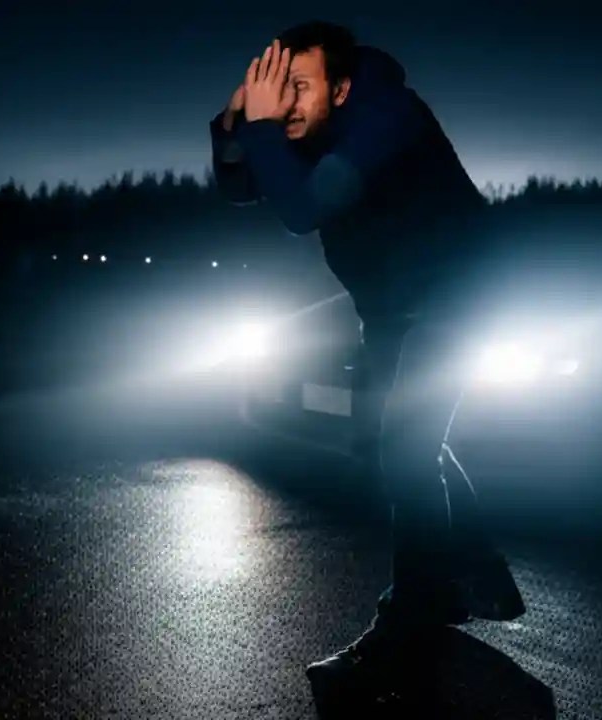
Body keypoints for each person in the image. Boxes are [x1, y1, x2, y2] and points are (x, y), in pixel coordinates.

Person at [208, 20, 525, 682]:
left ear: (343, 88)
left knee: (405, 449)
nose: (287, 103)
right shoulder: (310, 130)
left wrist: (264, 129)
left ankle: (409, 622)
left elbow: (302, 209)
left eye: (301, 87)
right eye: (277, 88)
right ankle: (480, 571)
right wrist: (235, 121)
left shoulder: (388, 116)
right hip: (390, 311)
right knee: (401, 443)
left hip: (463, 294)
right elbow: (241, 186)